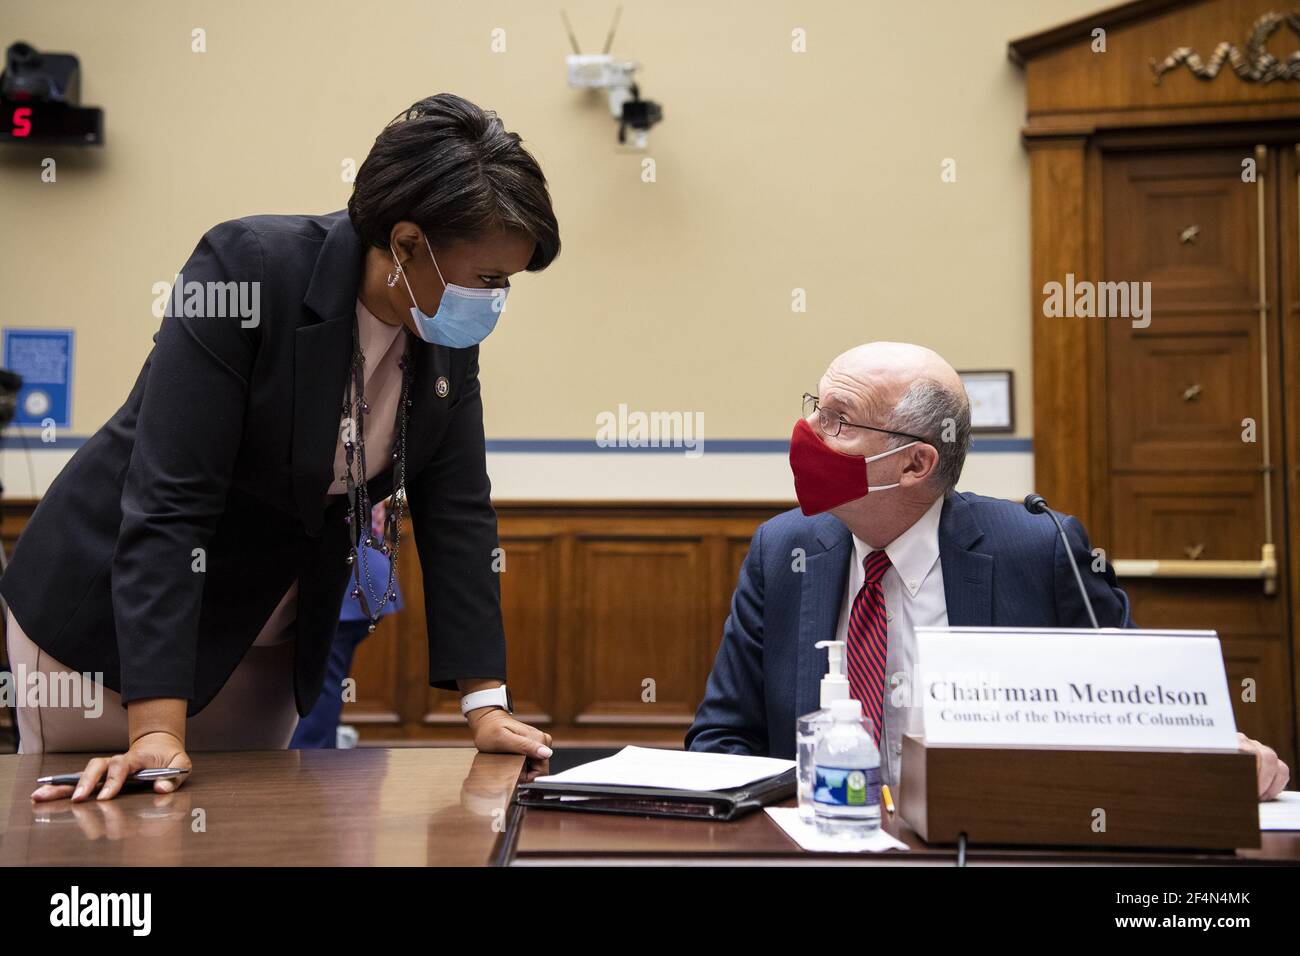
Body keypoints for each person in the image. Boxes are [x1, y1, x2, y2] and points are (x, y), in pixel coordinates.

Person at [4, 92, 558, 801]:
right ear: (409, 242)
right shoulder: (247, 270)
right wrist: (153, 732)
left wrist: (486, 702)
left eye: (506, 284)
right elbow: (171, 501)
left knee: (247, 823)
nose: (494, 300)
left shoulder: (440, 334)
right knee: (111, 826)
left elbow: (458, 510)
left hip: (267, 628)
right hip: (111, 627)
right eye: (487, 280)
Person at [685, 342, 1290, 801]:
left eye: (839, 421)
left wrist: (1219, 755)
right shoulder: (781, 550)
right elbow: (720, 740)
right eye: (817, 408)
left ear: (914, 463)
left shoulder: (1040, 549)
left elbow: (1136, 714)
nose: (810, 434)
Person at [290, 500, 401, 749]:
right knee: (324, 682)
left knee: (319, 685)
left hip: (346, 578)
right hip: (362, 572)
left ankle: (307, 768)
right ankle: (313, 764)